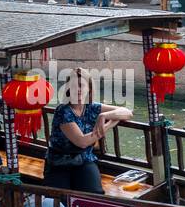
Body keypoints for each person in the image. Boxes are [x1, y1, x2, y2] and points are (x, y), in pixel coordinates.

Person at [44, 68, 133, 196]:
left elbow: (127, 112)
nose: (78, 90)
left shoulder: (92, 108)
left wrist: (104, 116)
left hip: (84, 159)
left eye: (81, 85)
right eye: (74, 86)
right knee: (59, 201)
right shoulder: (63, 111)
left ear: (89, 88)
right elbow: (82, 142)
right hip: (59, 162)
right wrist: (110, 123)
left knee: (94, 195)